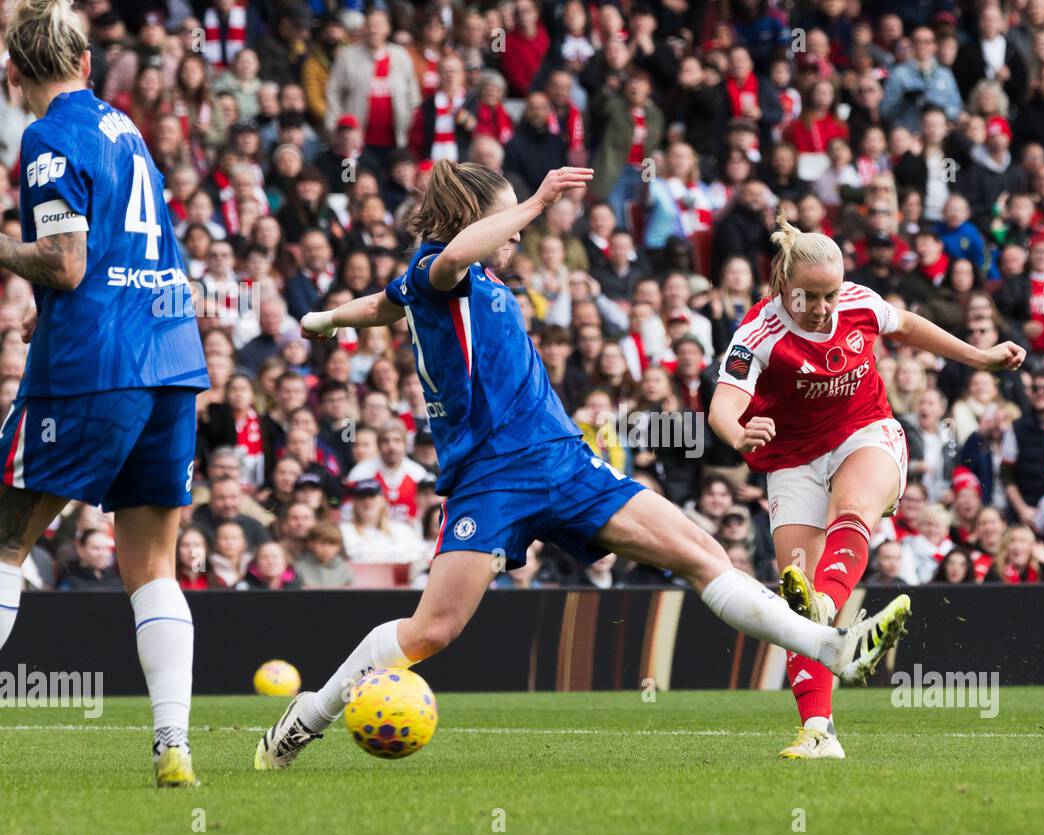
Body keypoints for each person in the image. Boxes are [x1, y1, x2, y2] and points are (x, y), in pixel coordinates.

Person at [254, 162, 893, 770]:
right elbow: (440, 265)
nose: (521, 230)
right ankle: (308, 716)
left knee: (704, 553)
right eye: (507, 220)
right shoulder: (440, 268)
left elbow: (384, 304)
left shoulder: (461, 284)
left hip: (564, 462)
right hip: (489, 480)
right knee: (432, 630)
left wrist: (329, 318)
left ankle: (827, 647)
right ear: (478, 222)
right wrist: (536, 200)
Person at [709, 216, 1024, 759]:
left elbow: (906, 325)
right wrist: (740, 435)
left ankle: (830, 613)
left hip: (866, 432)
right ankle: (818, 732)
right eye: (809, 296)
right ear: (785, 285)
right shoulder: (758, 332)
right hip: (793, 458)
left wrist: (980, 356)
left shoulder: (858, 302)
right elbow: (722, 406)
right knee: (795, 592)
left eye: (830, 295)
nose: (823, 307)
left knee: (851, 512)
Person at [0, 0, 207, 787]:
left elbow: (67, 262)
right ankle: (173, 747)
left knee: (5, 541)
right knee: (153, 565)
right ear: (87, 65)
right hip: (171, 359)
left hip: (94, 366)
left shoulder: (47, 135)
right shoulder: (124, 126)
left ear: (15, 73)